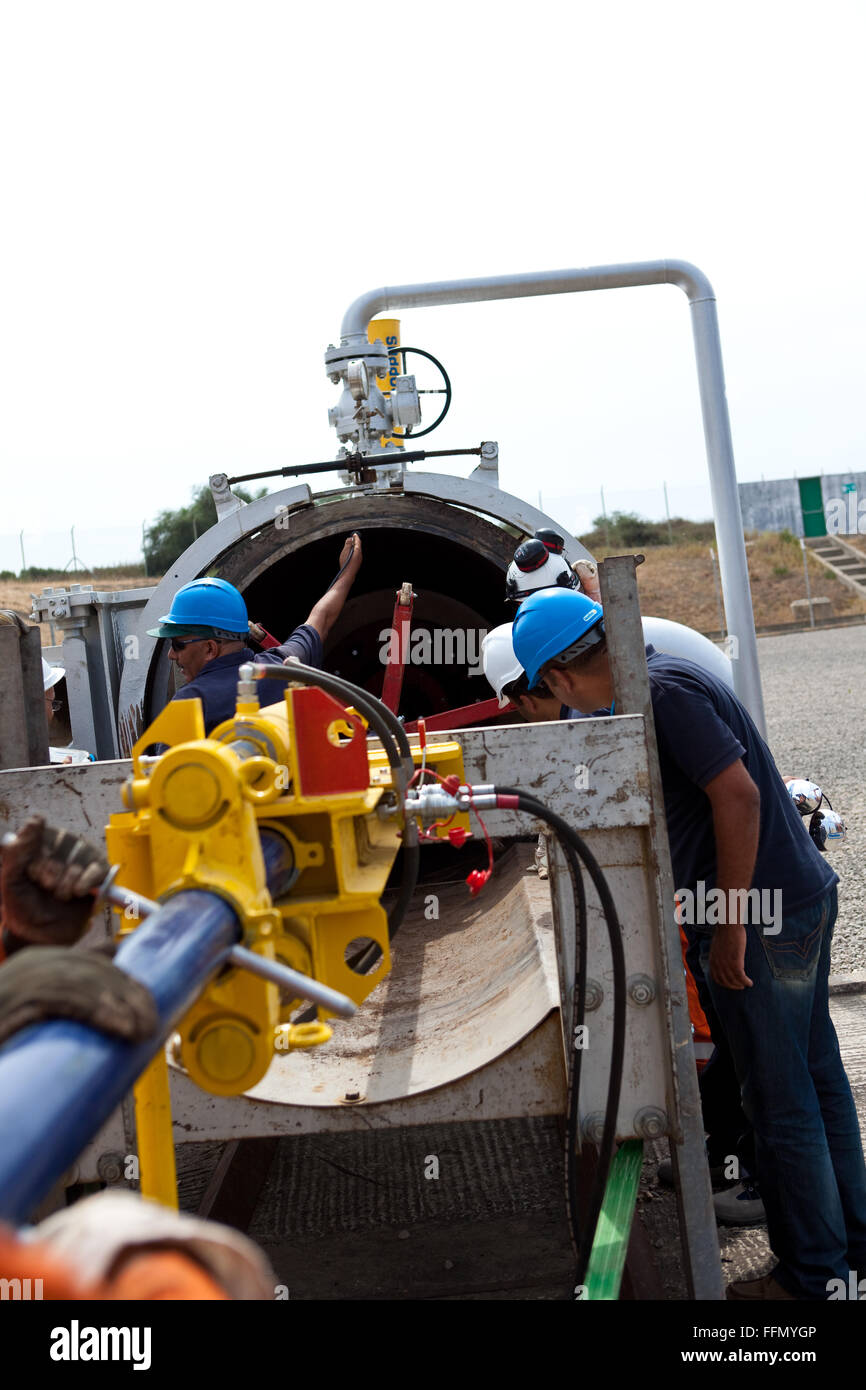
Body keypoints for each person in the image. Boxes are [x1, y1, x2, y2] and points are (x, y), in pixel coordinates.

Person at [512, 587, 866, 1301]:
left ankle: (812, 1279)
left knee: (779, 1102)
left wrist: (731, 923)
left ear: (554, 678)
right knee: (819, 1084)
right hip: (796, 899)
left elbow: (739, 798)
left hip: (762, 920)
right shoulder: (665, 670)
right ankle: (850, 1262)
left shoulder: (664, 695)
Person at [147, 533, 362, 735]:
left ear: (210, 648)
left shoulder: (188, 704)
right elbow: (321, 619)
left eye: (177, 644)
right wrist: (349, 569)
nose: (171, 655)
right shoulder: (285, 667)